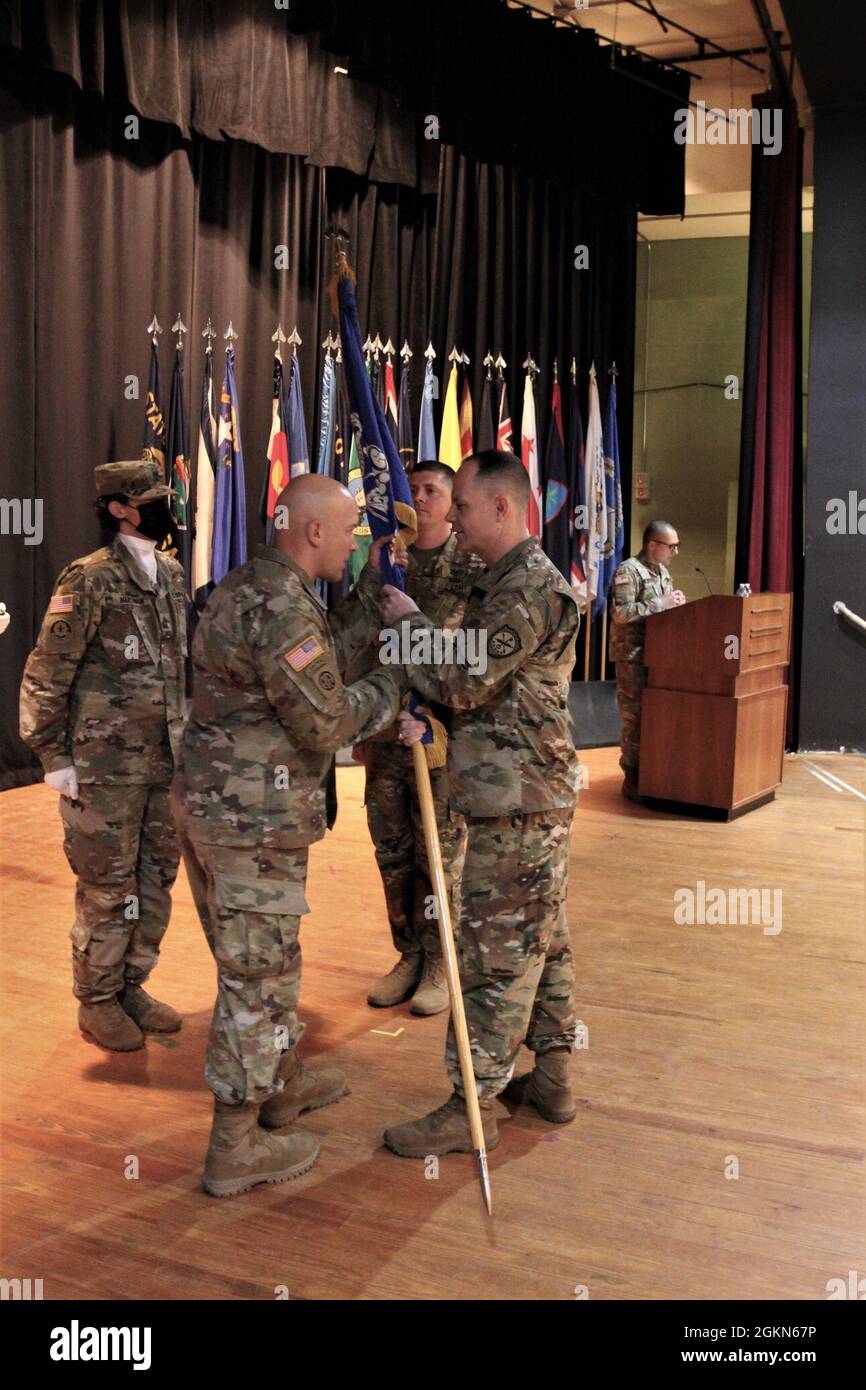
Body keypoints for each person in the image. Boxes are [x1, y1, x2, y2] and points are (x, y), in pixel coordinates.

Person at [174, 474, 408, 1198]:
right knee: (259, 980)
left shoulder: (250, 587)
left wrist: (370, 594)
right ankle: (234, 1146)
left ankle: (281, 1086)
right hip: (253, 826)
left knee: (264, 962)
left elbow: (318, 655)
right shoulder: (282, 606)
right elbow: (327, 720)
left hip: (219, 809)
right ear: (312, 532)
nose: (353, 542)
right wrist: (394, 688)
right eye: (349, 534)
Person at [379, 449, 581, 1158]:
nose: (453, 519)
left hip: (516, 799)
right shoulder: (505, 581)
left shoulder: (526, 586)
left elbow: (466, 678)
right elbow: (489, 695)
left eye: (462, 506)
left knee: (496, 954)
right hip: (521, 789)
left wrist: (407, 624)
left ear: (501, 508)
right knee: (543, 940)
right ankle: (551, 1079)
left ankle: (473, 1105)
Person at [19, 459, 188, 1052]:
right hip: (103, 768)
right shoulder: (87, 578)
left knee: (154, 880)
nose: (165, 507)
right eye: (150, 499)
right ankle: (96, 1001)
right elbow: (46, 670)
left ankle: (131, 985)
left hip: (164, 762)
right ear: (119, 508)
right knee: (107, 887)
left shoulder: (171, 573)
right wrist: (53, 757)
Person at [362, 461, 485, 1016]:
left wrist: (437, 722)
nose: (419, 499)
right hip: (389, 731)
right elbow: (364, 640)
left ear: (453, 498)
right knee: (392, 851)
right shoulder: (388, 564)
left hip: (438, 738)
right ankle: (407, 953)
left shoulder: (471, 569)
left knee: (438, 856)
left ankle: (440, 961)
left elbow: (473, 661)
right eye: (411, 490)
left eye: (431, 491)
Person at [610, 520, 685, 800]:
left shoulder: (663, 572)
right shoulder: (628, 571)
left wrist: (676, 607)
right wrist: (661, 604)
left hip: (658, 655)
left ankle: (652, 773)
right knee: (635, 718)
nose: (675, 552)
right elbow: (621, 613)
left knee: (654, 717)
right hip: (633, 655)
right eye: (671, 546)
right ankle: (631, 775)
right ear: (652, 544)